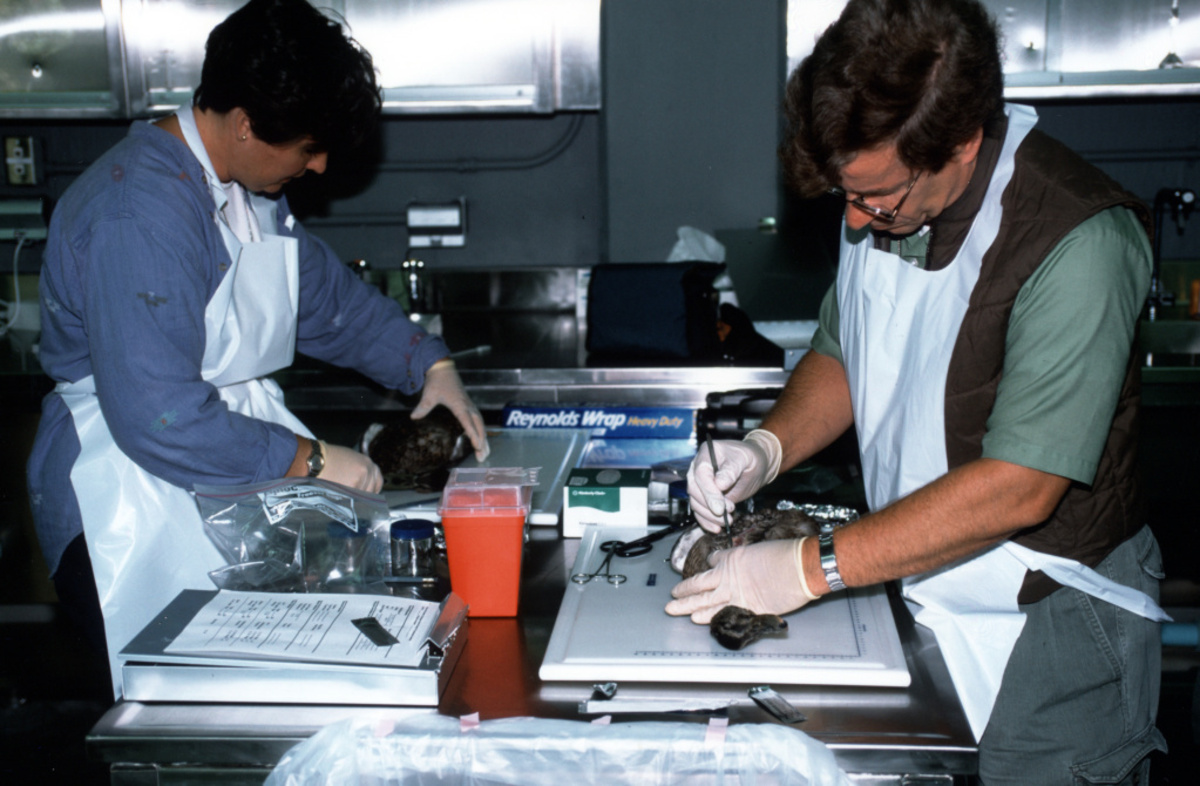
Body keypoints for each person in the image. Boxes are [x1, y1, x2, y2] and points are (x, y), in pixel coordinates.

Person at [667, 1, 1168, 783]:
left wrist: (811, 568)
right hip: (912, 574)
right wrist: (766, 450)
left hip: (1051, 613)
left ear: (961, 142)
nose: (859, 224)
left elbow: (1020, 487)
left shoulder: (1078, 241)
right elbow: (845, 350)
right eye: (847, 198)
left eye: (877, 200)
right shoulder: (882, 188)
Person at [26, 0, 488, 700]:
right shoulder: (139, 213)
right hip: (123, 496)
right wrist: (310, 461)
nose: (322, 163)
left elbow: (324, 303)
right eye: (308, 146)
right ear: (244, 124)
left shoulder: (246, 191)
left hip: (223, 478)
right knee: (185, 713)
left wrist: (430, 363)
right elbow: (161, 417)